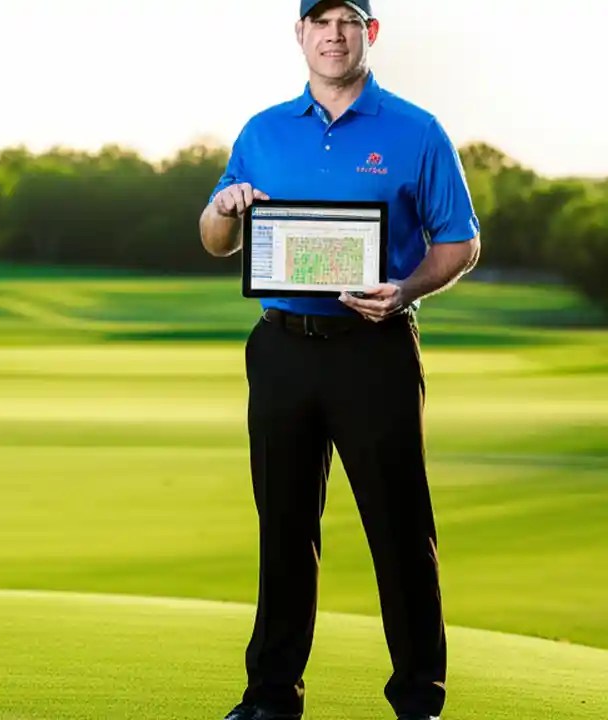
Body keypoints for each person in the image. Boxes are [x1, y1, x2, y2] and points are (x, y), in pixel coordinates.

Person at [197, 2, 481, 719]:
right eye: (318, 23)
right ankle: (269, 699)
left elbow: (460, 243)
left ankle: (420, 698)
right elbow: (213, 240)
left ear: (369, 34)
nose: (332, 36)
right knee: (285, 526)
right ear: (300, 35)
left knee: (399, 529)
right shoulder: (262, 131)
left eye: (347, 23)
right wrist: (225, 209)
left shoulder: (417, 131)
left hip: (375, 350)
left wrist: (408, 288)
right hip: (283, 347)